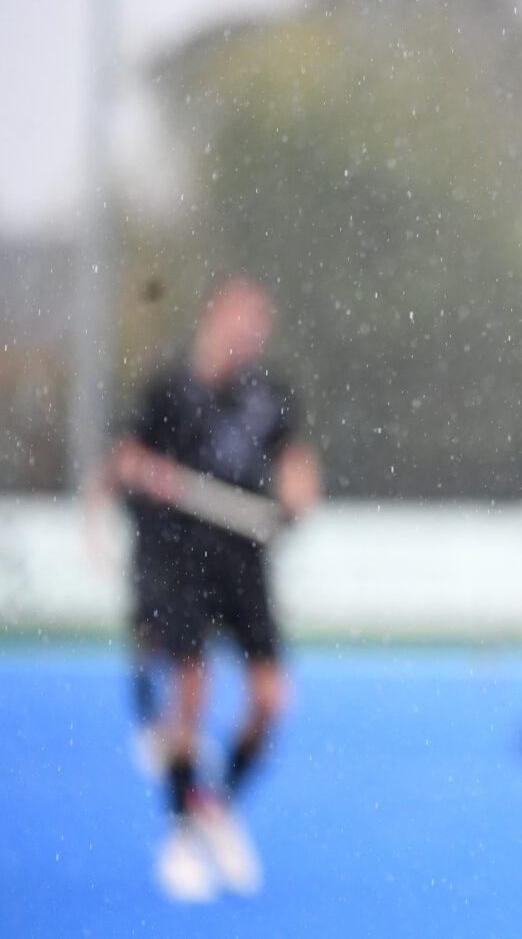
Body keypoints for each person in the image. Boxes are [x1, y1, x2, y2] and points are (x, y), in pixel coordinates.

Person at [103, 277, 320, 901]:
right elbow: (125, 459)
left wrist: (299, 495)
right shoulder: (170, 389)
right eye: (238, 320)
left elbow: (294, 462)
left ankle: (213, 807)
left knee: (270, 701)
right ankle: (178, 830)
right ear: (213, 318)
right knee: (191, 688)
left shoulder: (271, 393)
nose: (247, 333)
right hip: (181, 554)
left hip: (245, 561)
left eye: (258, 323)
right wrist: (150, 472)